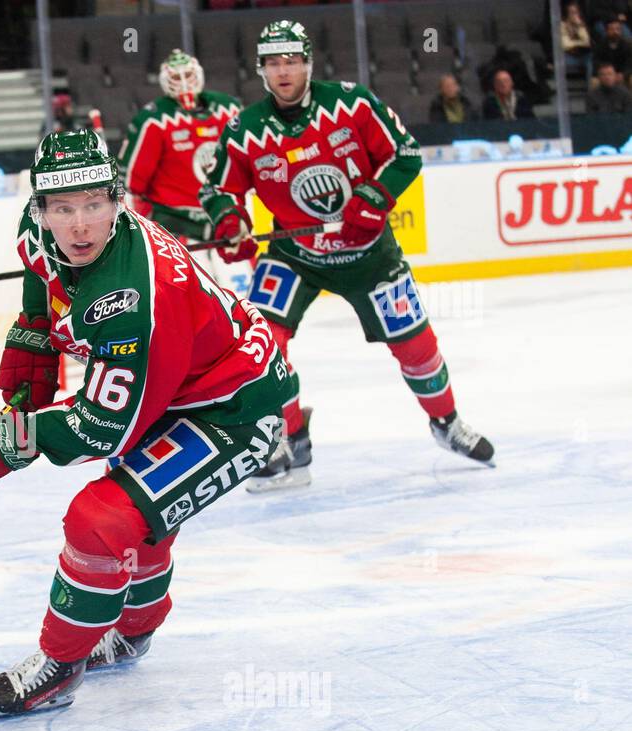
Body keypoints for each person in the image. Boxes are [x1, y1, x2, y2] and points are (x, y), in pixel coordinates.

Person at [0, 129, 295, 718]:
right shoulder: (42, 234)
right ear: (40, 209)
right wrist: (32, 364)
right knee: (140, 517)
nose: (79, 225)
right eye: (63, 209)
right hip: (175, 383)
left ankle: (60, 665)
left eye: (94, 206)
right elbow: (41, 283)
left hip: (234, 405)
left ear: (117, 200)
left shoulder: (129, 294)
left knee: (102, 519)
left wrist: (12, 440)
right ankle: (132, 631)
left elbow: (104, 428)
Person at [201, 19, 494, 491]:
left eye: (292, 61)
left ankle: (446, 423)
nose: (283, 71)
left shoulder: (352, 104)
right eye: (273, 63)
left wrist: (375, 197)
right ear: (261, 71)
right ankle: (289, 436)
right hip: (293, 251)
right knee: (261, 346)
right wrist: (230, 223)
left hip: (369, 253)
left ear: (308, 64)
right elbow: (219, 188)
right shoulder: (245, 128)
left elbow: (405, 153)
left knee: (416, 348)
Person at [119, 50, 247, 293]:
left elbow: (249, 159)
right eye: (177, 77)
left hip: (226, 218)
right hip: (175, 224)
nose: (185, 83)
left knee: (243, 294)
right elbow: (133, 181)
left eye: (188, 75)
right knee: (190, 297)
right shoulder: (154, 119)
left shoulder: (229, 109)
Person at [561, 2, 594, 83]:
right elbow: (566, 45)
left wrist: (579, 25)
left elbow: (587, 42)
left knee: (591, 63)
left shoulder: (581, 24)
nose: (574, 15)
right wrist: (579, 43)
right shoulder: (562, 25)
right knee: (562, 63)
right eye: (572, 12)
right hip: (569, 55)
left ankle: (590, 89)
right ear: (567, 14)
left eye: (576, 12)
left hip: (583, 55)